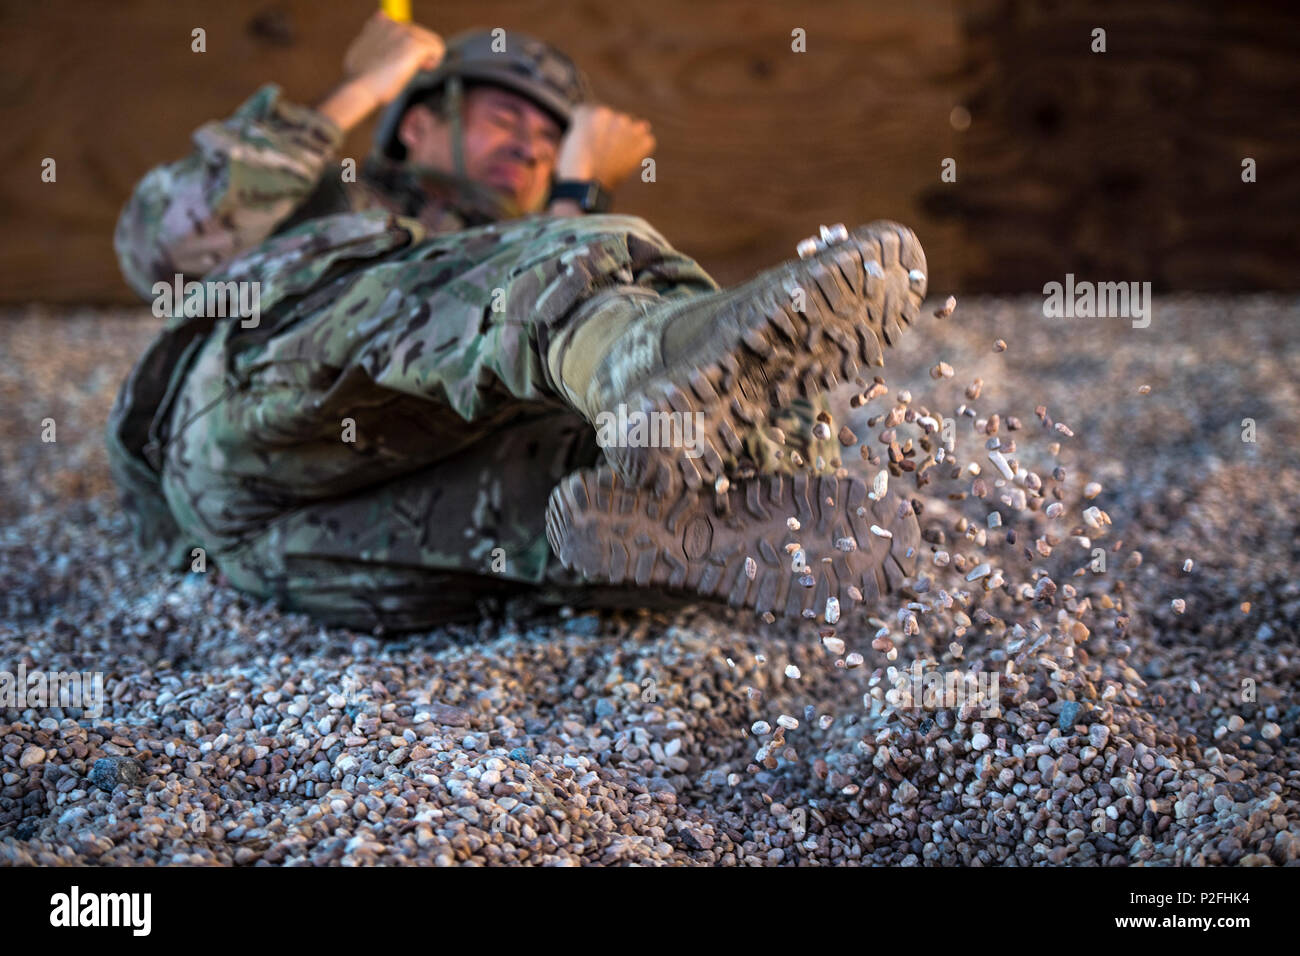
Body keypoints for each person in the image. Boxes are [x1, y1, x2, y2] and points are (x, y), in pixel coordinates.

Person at [107, 12, 928, 632]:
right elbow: (165, 247)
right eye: (507, 119)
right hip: (239, 442)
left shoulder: (520, 244)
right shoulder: (334, 200)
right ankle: (656, 393)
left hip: (327, 558)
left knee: (592, 479)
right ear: (420, 123)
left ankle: (747, 501)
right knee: (600, 293)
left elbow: (527, 275)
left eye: (550, 141)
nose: (533, 149)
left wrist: (576, 189)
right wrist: (368, 86)